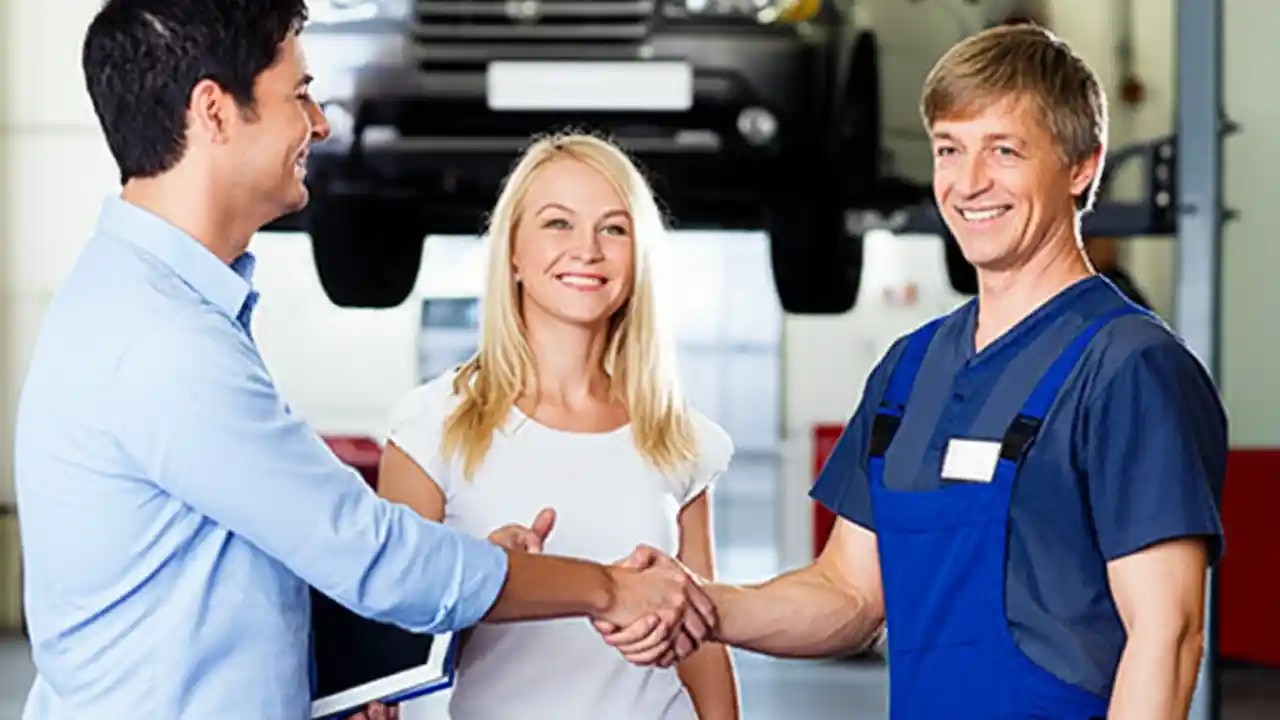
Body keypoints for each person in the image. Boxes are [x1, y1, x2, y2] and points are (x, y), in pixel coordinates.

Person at [12, 3, 714, 718]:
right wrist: (604, 586)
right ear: (215, 111)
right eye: (300, 94)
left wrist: (476, 577)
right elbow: (369, 555)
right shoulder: (161, 341)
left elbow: (241, 577)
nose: (317, 123)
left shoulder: (149, 306)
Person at [599, 23, 1227, 719]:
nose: (969, 183)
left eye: (1005, 150)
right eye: (949, 150)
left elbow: (1168, 635)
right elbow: (849, 595)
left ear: (1082, 165)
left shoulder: (1128, 366)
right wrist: (700, 603)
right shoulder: (911, 368)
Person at [374, 132, 741, 719]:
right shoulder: (430, 428)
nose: (588, 250)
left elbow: (700, 640)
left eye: (614, 228)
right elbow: (390, 643)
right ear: (513, 253)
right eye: (558, 223)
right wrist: (484, 577)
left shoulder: (679, 437)